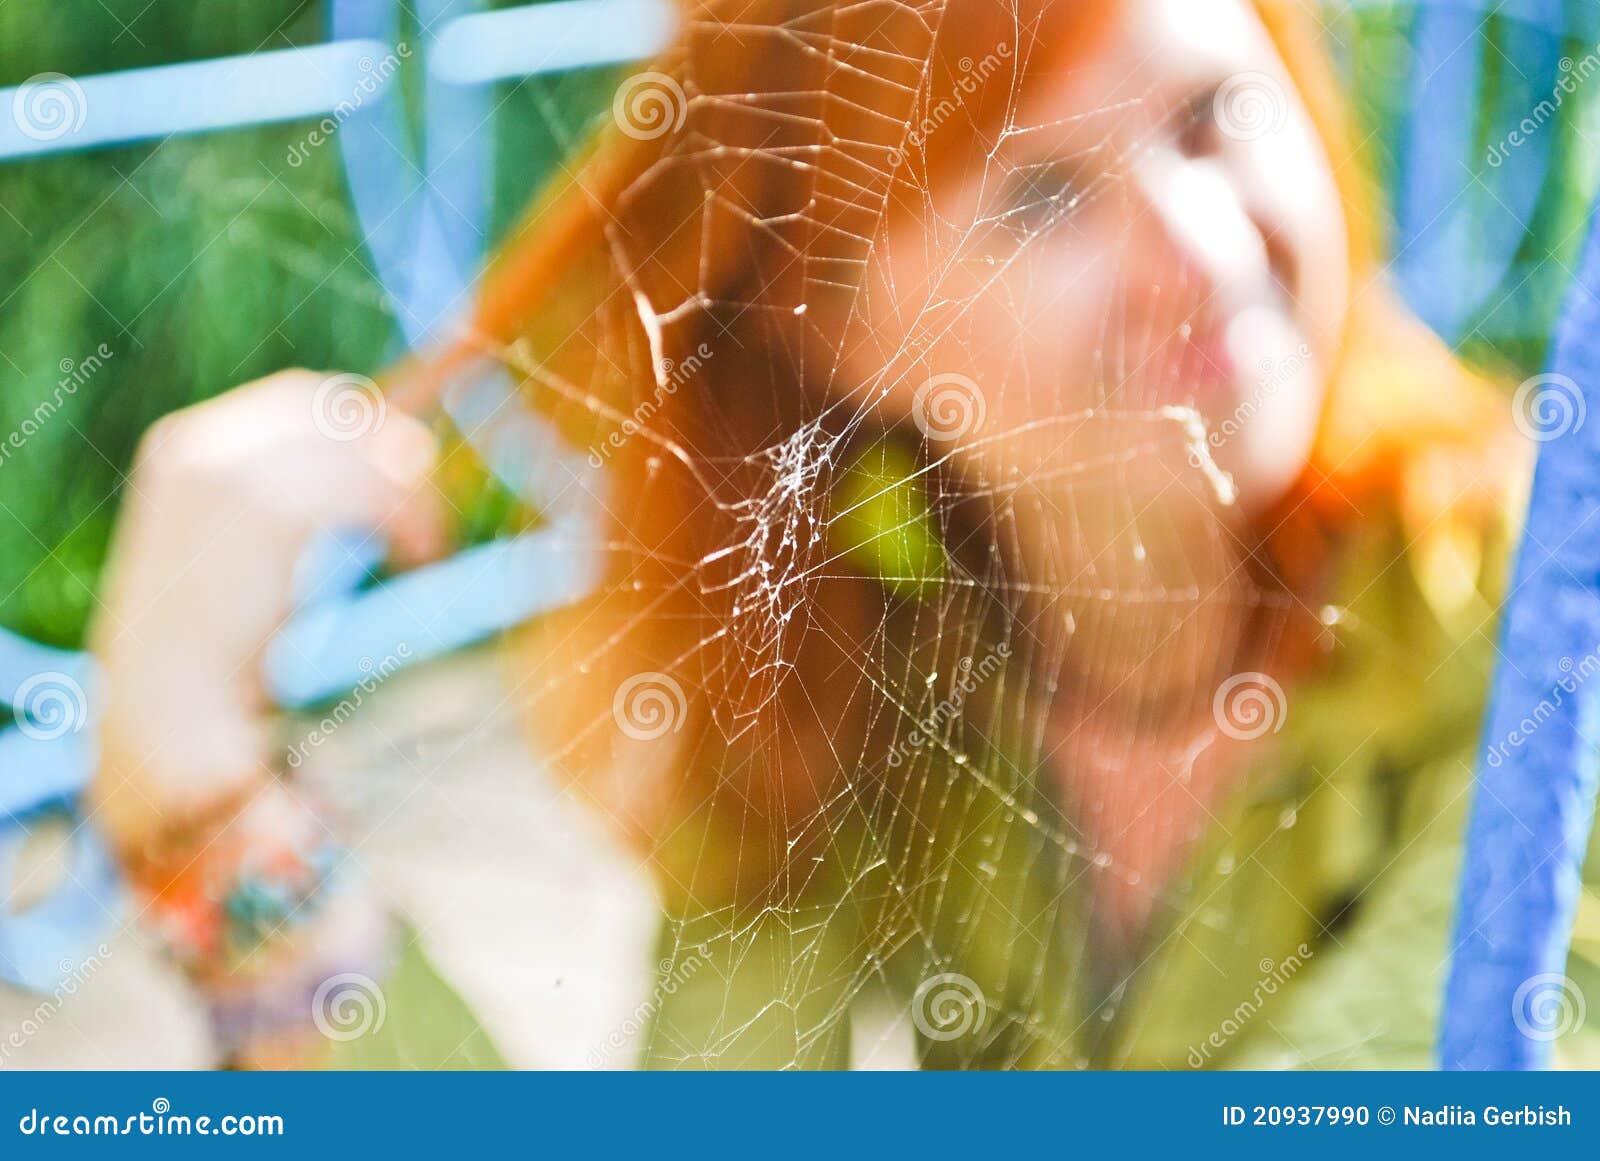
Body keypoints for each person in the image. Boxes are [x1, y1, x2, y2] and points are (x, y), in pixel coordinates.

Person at [88, 0, 1523, 1067]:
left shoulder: (1541, 629)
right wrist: (209, 801)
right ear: (828, 324)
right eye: (1042, 198)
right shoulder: (858, 657)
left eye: (1212, 114)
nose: (1203, 255)